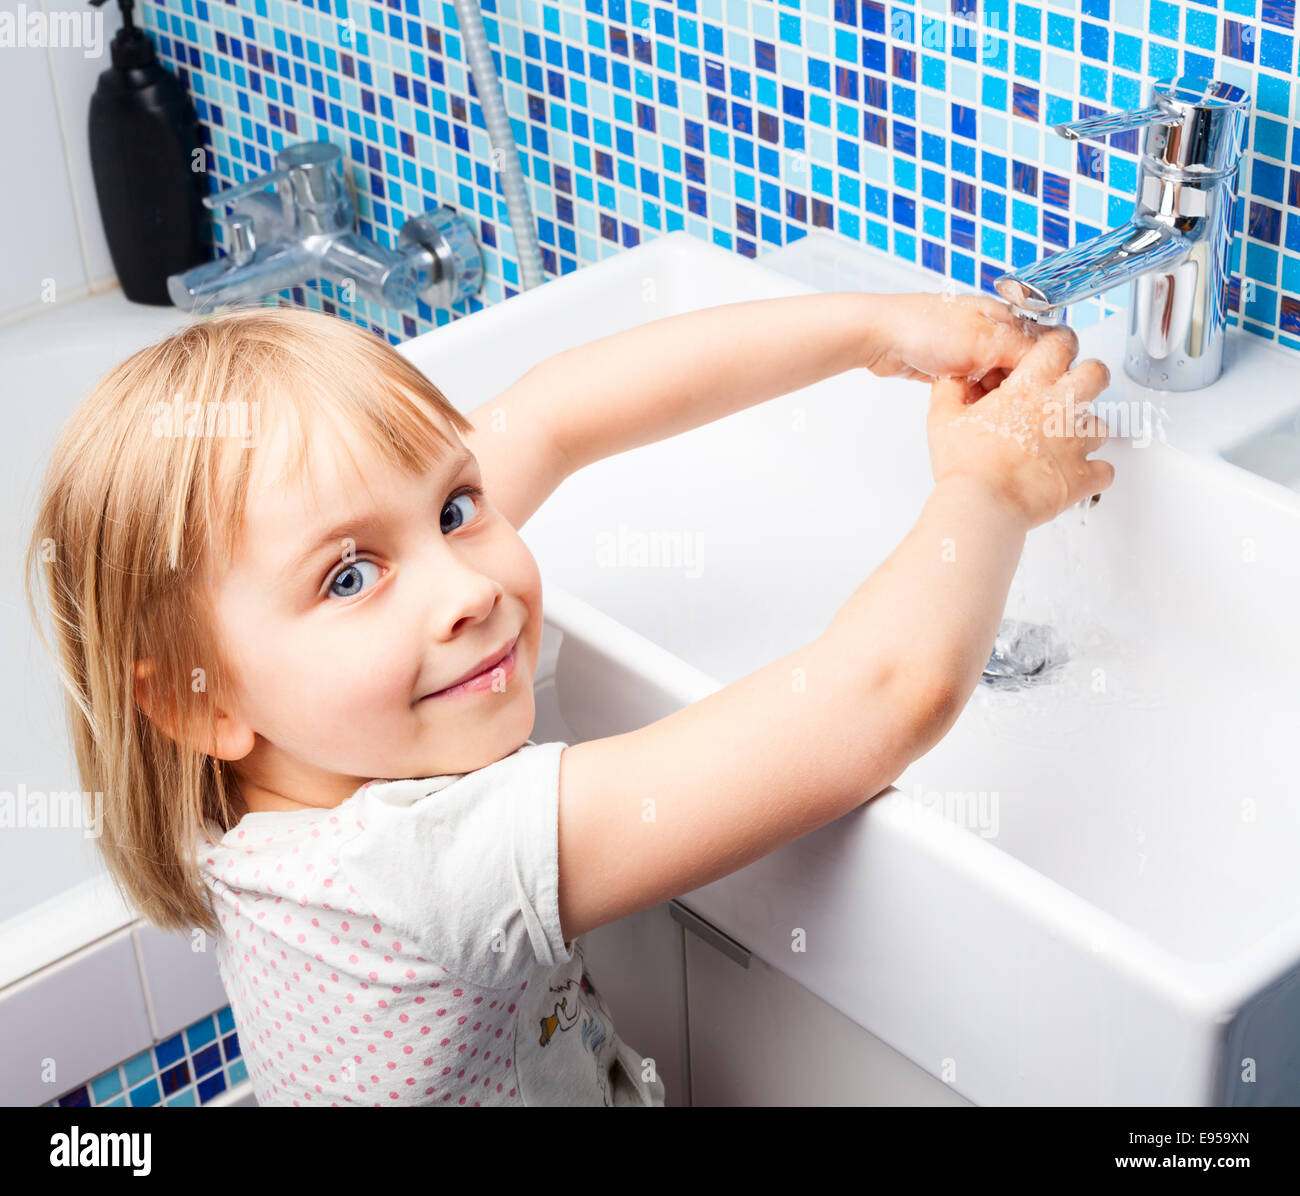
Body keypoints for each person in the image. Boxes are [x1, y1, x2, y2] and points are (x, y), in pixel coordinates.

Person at [24, 291, 1110, 1106]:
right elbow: (879, 699)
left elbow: (551, 414)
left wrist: (883, 329)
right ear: (196, 701)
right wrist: (994, 488)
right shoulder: (413, 868)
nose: (468, 587)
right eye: (348, 576)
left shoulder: (263, 777)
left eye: (455, 507)